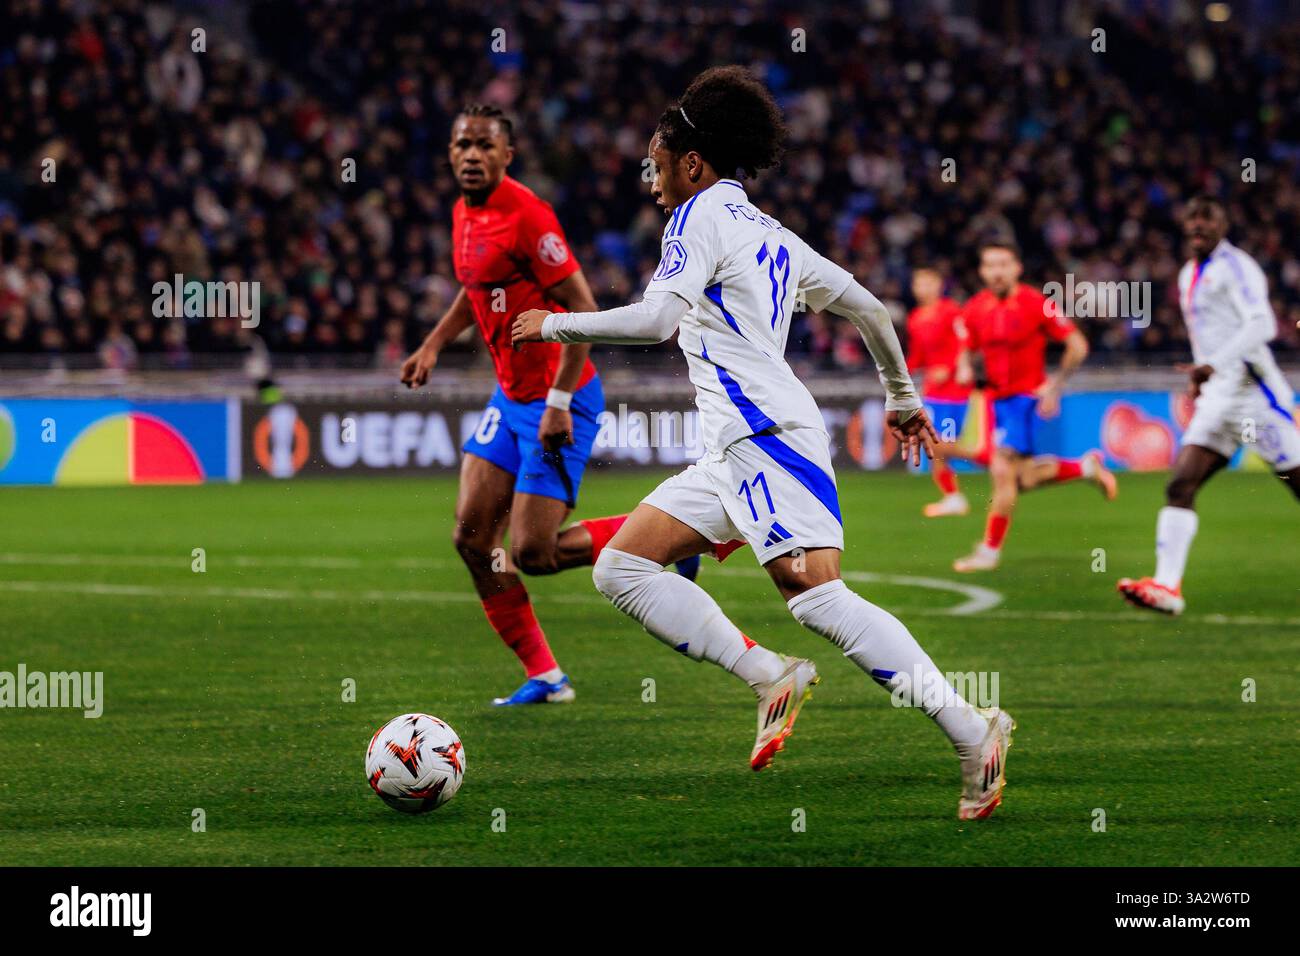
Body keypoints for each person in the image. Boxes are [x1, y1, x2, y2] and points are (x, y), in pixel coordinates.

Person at [512, 67, 1014, 820]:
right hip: (731, 448)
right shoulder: (770, 230)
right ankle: (769, 673)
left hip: (769, 435)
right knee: (620, 567)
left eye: (656, 165)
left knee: (815, 594)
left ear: (690, 161)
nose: (652, 184)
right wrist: (902, 396)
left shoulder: (697, 220)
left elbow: (654, 322)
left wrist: (552, 325)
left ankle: (972, 729)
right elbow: (871, 309)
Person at [402, 104, 697, 706]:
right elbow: (476, 285)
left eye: (485, 146)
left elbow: (581, 310)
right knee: (471, 538)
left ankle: (681, 535)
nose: (472, 155)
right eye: (463, 145)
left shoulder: (528, 217)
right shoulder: (464, 213)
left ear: (507, 156)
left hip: (559, 398)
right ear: (450, 153)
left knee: (532, 553)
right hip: (509, 398)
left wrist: (559, 401)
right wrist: (434, 343)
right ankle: (546, 676)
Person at [1118, 195, 1300, 614]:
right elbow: (1211, 335)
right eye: (1193, 218)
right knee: (1180, 485)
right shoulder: (1188, 274)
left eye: (1208, 218)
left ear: (1224, 224)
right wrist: (1204, 379)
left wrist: (1210, 365)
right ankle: (1167, 587)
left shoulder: (1236, 267)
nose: (1199, 225)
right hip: (1219, 400)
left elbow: (1263, 324)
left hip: (1256, 399)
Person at [951, 242, 1117, 572]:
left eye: (1003, 264)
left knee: (1001, 472)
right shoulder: (975, 308)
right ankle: (1084, 468)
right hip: (995, 402)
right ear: (982, 272)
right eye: (990, 265)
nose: (997, 271)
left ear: (1017, 268)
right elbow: (967, 348)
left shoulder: (1035, 303)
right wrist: (965, 366)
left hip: (1023, 401)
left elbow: (1077, 345)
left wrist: (1054, 388)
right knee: (1020, 480)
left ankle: (989, 552)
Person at [905, 266, 989, 517]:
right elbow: (918, 356)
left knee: (941, 444)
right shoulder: (915, 318)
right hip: (933, 392)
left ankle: (987, 459)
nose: (923, 289)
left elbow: (967, 342)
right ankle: (952, 496)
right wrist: (898, 371)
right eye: (919, 284)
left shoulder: (951, 311)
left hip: (955, 391)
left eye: (928, 283)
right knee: (933, 444)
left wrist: (952, 368)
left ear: (939, 285)